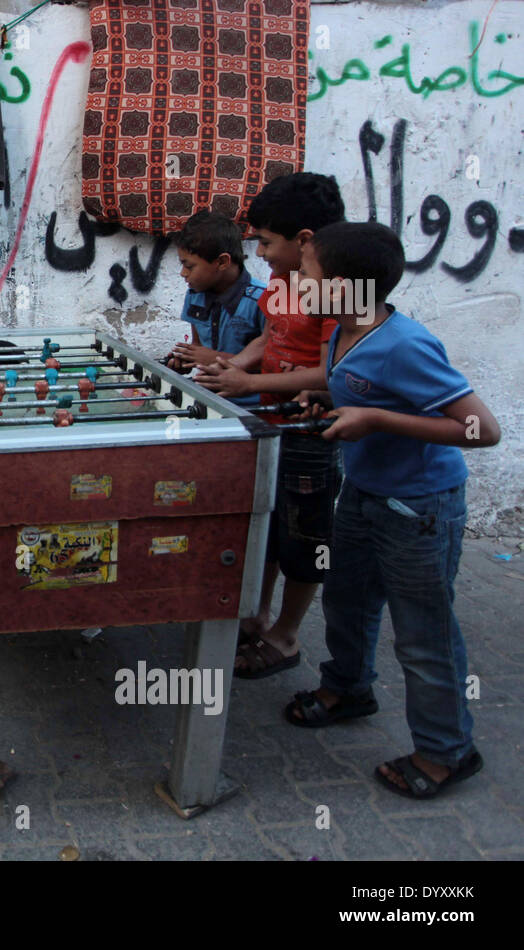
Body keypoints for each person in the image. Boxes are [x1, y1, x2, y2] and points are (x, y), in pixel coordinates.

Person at [282, 222, 499, 799]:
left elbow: (482, 429)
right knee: (347, 600)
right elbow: (360, 388)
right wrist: (327, 397)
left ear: (346, 286)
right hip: (362, 495)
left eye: (308, 274)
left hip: (419, 510)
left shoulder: (406, 343)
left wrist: (375, 421)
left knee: (422, 634)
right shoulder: (343, 332)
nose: (298, 283)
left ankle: (447, 751)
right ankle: (348, 688)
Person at [192, 173, 346, 678]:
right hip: (270, 422)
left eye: (265, 242)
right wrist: (236, 366)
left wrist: (247, 383)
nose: (259, 254)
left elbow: (335, 372)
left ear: (304, 241)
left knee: (306, 539)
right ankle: (256, 615)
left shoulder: (339, 288)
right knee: (268, 525)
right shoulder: (285, 279)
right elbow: (274, 340)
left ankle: (286, 636)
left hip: (309, 431)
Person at [164, 211, 265, 408]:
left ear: (222, 262)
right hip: (208, 402)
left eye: (189, 266)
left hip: (251, 407)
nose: (183, 273)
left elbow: (275, 363)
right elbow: (198, 348)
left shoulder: (261, 300)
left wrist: (215, 359)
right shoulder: (195, 295)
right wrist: (184, 362)